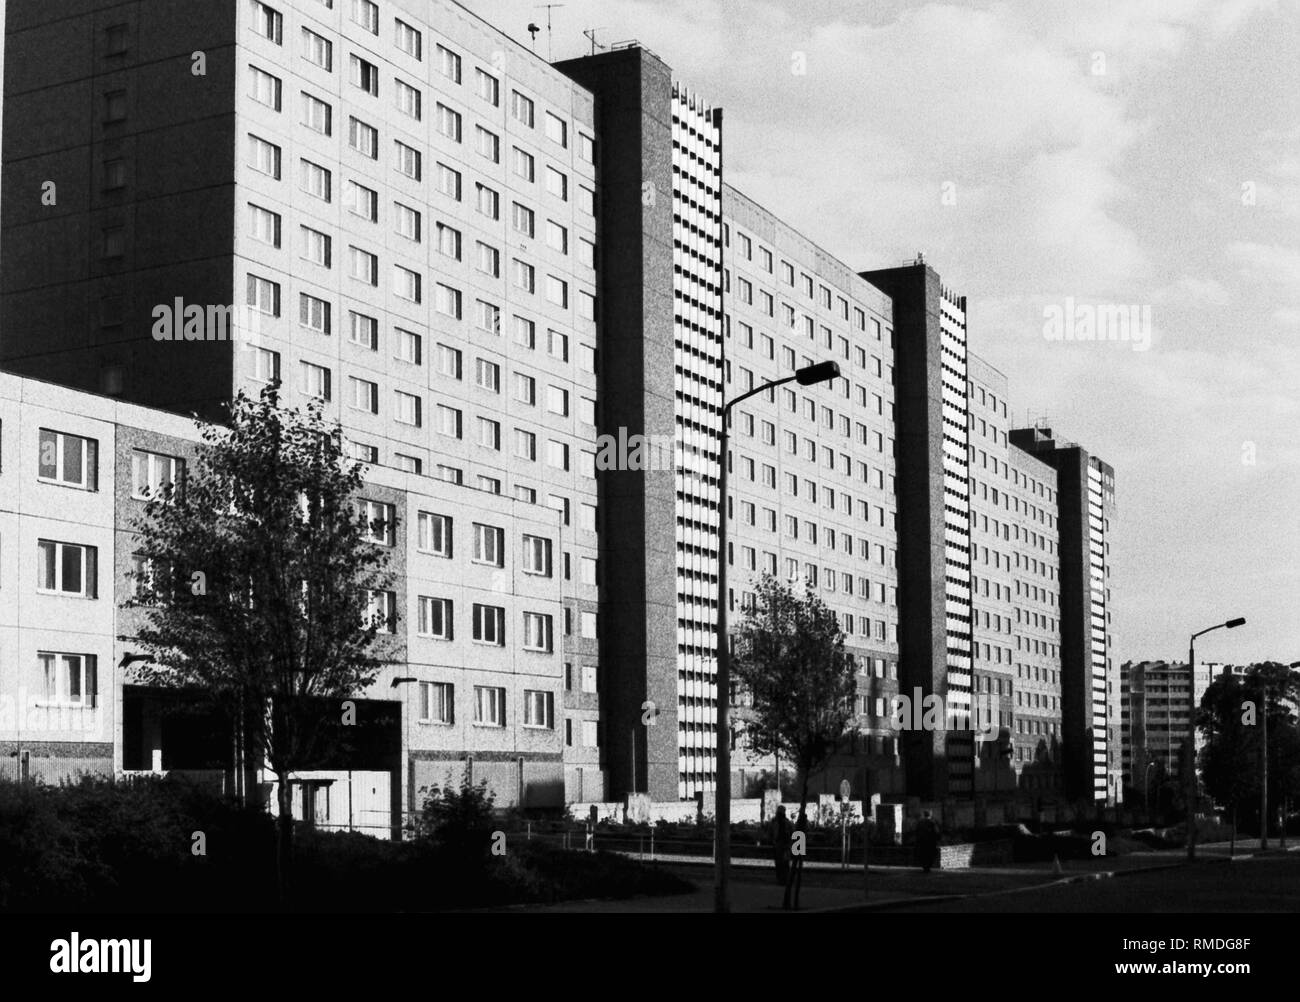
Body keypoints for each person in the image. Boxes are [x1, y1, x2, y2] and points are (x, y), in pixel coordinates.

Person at [771, 804, 791, 886]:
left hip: (782, 845)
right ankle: (782, 879)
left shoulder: (776, 822)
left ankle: (782, 879)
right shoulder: (786, 822)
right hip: (782, 845)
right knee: (783, 863)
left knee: (782, 863)